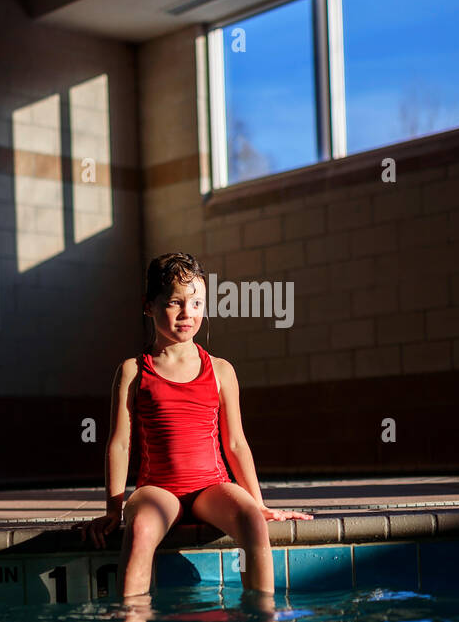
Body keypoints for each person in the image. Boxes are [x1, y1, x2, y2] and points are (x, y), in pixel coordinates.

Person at [75, 252, 311, 598]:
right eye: (175, 302)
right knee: (139, 528)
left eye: (197, 302)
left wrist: (258, 503)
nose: (188, 313)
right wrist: (114, 508)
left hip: (210, 487)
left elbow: (235, 444)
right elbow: (120, 444)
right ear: (148, 306)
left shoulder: (220, 370)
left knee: (250, 520)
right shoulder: (133, 371)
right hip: (158, 489)